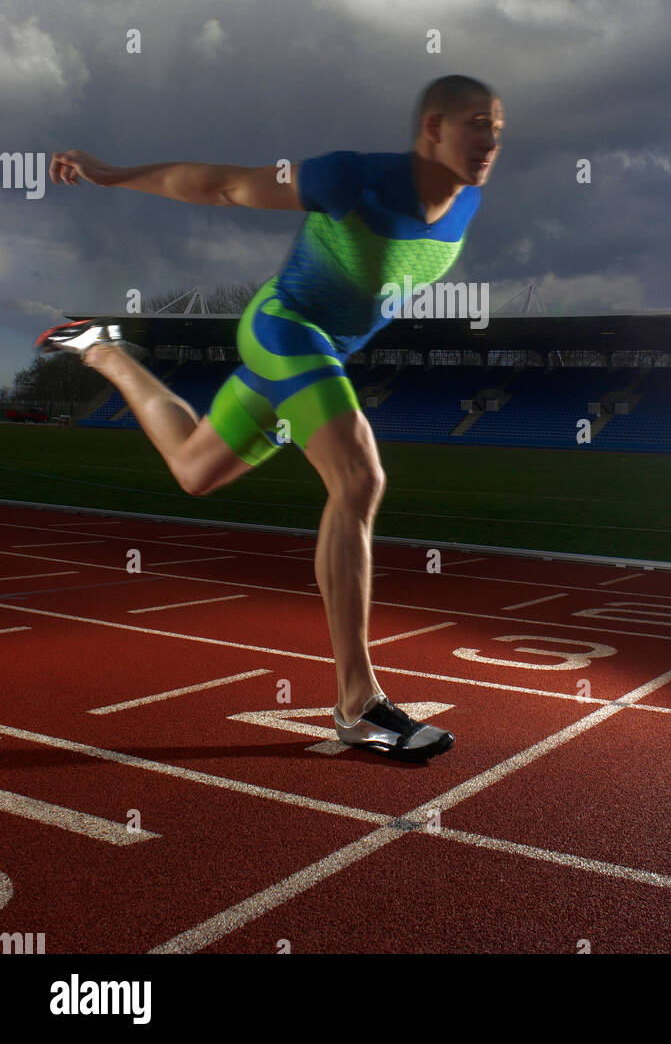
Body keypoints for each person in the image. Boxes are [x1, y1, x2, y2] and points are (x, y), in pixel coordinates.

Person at [37, 75, 504, 761]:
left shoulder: (467, 207)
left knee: (195, 470)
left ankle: (104, 353)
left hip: (309, 358)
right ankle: (358, 703)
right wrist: (112, 175)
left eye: (497, 126)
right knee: (359, 480)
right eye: (475, 123)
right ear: (431, 127)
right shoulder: (354, 178)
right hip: (285, 329)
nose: (490, 141)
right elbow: (220, 185)